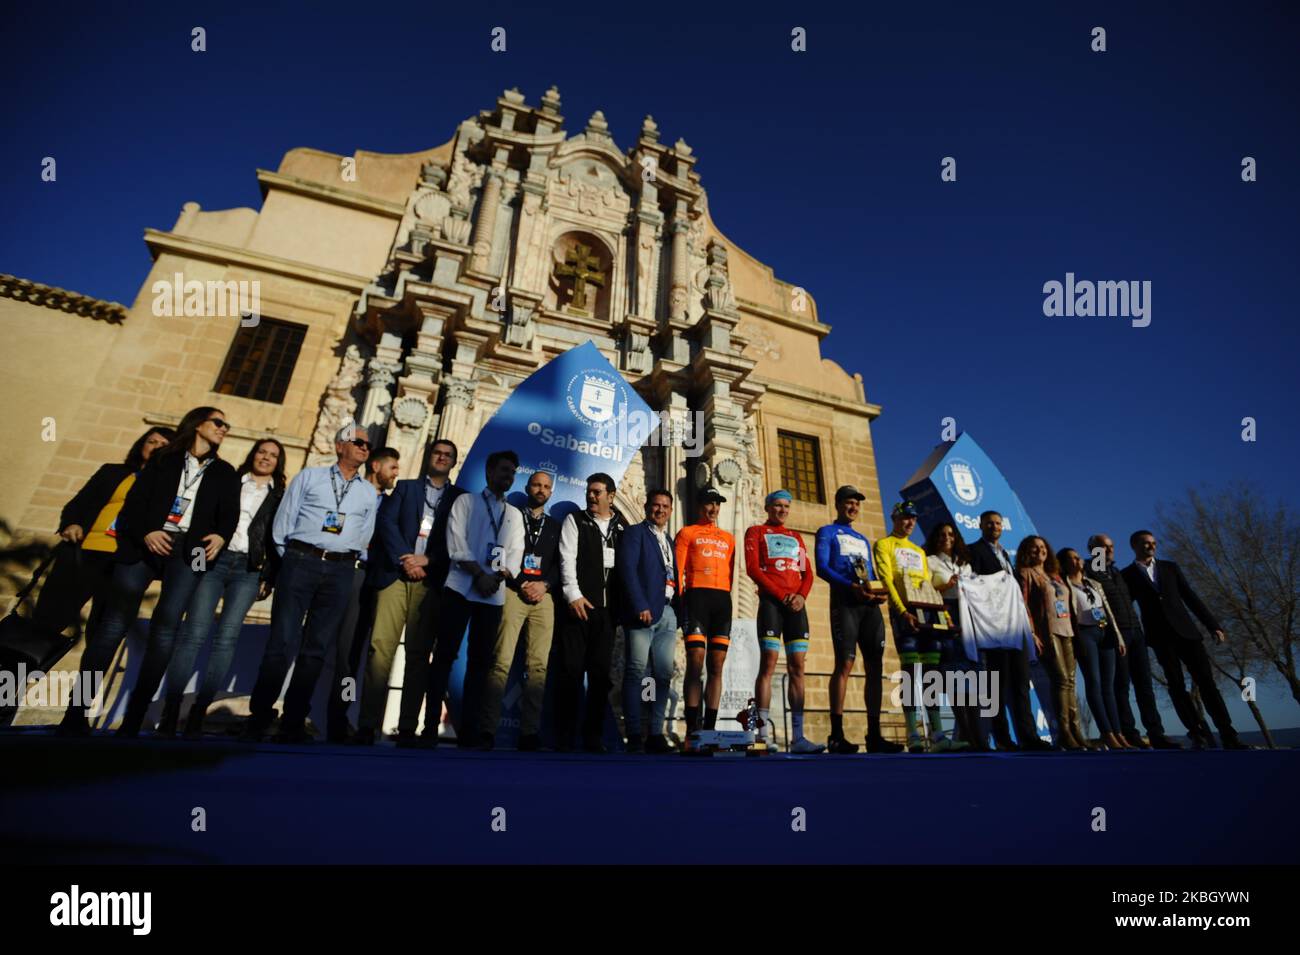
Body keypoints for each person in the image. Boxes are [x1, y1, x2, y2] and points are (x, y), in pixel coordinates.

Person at [91, 408, 241, 738]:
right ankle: (76, 713)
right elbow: (133, 504)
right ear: (197, 424)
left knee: (166, 630)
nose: (223, 429)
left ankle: (134, 718)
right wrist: (147, 531)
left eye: (226, 426)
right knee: (112, 625)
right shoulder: (163, 460)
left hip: (189, 549)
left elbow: (229, 515)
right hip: (144, 545)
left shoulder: (225, 472)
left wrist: (220, 535)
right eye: (218, 423)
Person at [241, 422, 380, 743]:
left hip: (342, 569)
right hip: (300, 562)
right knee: (281, 643)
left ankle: (293, 719)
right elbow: (283, 522)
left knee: (315, 650)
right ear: (339, 446)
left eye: (367, 445)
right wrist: (291, 557)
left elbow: (365, 534)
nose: (364, 448)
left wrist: (343, 554)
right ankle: (259, 716)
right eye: (358, 442)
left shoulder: (366, 493)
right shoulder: (310, 477)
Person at [158, 438, 286, 739]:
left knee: (227, 638)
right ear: (252, 454)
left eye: (273, 456)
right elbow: (205, 518)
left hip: (248, 569)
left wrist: (270, 575)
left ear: (278, 463)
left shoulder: (279, 495)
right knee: (193, 634)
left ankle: (198, 713)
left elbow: (276, 537)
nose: (265, 458)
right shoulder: (229, 480)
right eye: (262, 452)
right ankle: (172, 710)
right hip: (214, 561)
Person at [354, 439, 462, 747]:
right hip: (395, 576)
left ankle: (406, 727)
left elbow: (458, 537)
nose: (442, 458)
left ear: (454, 462)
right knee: (379, 650)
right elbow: (386, 522)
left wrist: (428, 560)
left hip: (431, 582)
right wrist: (406, 556)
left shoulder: (459, 498)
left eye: (448, 455)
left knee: (418, 656)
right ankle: (367, 724)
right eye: (437, 453)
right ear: (430, 457)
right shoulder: (405, 488)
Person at [419, 450, 523, 749]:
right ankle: (429, 728)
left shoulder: (513, 515)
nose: (508, 476)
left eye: (512, 472)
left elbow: (515, 554)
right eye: (504, 470)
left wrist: (497, 577)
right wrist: (479, 574)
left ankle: (469, 730)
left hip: (492, 597)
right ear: (489, 473)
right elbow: (457, 543)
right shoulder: (466, 502)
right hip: (459, 588)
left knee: (481, 664)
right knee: (444, 657)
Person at [34, 427, 174, 639]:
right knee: (49, 619)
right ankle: (16, 670)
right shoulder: (112, 472)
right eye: (152, 442)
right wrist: (72, 524)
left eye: (164, 445)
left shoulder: (169, 487)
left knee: (101, 631)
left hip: (123, 561)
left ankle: (91, 674)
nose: (156, 447)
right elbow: (78, 504)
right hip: (85, 551)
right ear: (142, 445)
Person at [1121, 530, 1247, 750]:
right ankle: (1196, 733)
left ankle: (1228, 733)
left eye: (1153, 543)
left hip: (1187, 634)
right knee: (1176, 686)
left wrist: (1213, 625)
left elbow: (1190, 597)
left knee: (1207, 684)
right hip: (1160, 639)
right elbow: (1125, 608)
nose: (1151, 546)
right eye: (1145, 543)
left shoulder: (1170, 568)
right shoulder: (1128, 575)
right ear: (1134, 545)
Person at [814, 485, 902, 754]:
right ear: (838, 504)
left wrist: (879, 593)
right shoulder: (827, 532)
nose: (853, 508)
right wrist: (849, 587)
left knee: (875, 666)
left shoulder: (863, 540)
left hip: (868, 607)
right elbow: (822, 567)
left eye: (857, 504)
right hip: (845, 603)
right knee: (846, 663)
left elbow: (872, 573)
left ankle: (874, 735)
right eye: (849, 503)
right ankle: (836, 734)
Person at [479, 468, 561, 751]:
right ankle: (487, 729)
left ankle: (529, 733)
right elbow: (498, 552)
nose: (541, 489)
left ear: (551, 492)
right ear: (527, 488)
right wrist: (522, 581)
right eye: (536, 485)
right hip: (513, 591)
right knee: (500, 661)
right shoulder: (510, 517)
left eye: (546, 486)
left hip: (544, 599)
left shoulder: (555, 526)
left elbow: (560, 564)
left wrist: (545, 585)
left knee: (538, 667)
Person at [874, 501, 965, 753]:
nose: (910, 522)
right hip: (905, 611)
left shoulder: (919, 551)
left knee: (931, 672)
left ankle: (937, 734)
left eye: (913, 518)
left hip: (928, 611)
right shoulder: (884, 544)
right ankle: (913, 733)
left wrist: (944, 615)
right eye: (905, 517)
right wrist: (901, 611)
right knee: (912, 671)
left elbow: (927, 584)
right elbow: (887, 580)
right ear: (894, 518)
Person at [326, 445, 401, 742]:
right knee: (337, 652)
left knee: (354, 654)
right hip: (344, 571)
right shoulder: (350, 491)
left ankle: (341, 717)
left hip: (372, 579)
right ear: (376, 467)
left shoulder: (392, 503)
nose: (397, 473)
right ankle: (325, 717)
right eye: (392, 467)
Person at [744, 489, 823, 753]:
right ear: (768, 508)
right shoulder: (755, 532)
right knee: (768, 663)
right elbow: (753, 568)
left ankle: (798, 737)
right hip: (772, 605)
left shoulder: (796, 537)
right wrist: (782, 595)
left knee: (798, 667)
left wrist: (801, 596)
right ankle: (762, 734)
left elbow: (807, 572)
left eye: (786, 506)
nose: (782, 510)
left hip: (796, 607)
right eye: (777, 505)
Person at [966, 511, 1051, 751]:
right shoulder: (974, 551)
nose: (994, 527)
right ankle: (1002, 738)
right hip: (993, 628)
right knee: (996, 687)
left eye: (998, 523)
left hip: (1014, 628)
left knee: (1021, 684)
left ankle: (1029, 736)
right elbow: (975, 585)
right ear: (980, 525)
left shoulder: (1004, 553)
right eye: (989, 523)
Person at [556, 473, 628, 752]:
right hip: (579, 607)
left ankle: (593, 737)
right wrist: (573, 594)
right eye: (589, 491)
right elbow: (566, 558)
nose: (591, 496)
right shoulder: (576, 521)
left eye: (597, 492)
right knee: (570, 672)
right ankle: (565, 736)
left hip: (608, 613)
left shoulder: (621, 527)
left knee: (600, 677)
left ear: (611, 495)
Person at [1087, 533, 1178, 749]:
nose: (1108, 550)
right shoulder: (1090, 572)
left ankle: (1156, 733)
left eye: (1111, 546)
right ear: (1092, 549)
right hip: (1115, 634)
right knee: (1121, 686)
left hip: (1136, 631)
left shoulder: (1117, 572)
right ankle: (1129, 732)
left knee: (1145, 685)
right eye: (1102, 547)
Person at [617, 488, 678, 754]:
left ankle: (655, 732)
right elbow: (627, 569)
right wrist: (640, 604)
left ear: (671, 510)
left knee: (662, 675)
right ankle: (634, 733)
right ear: (647, 506)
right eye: (656, 505)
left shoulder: (669, 540)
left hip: (668, 613)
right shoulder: (635, 533)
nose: (660, 510)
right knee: (637, 671)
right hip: (643, 613)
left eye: (665, 506)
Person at [675, 487, 736, 746]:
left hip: (722, 601)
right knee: (696, 662)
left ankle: (709, 729)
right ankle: (692, 729)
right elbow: (678, 572)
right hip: (696, 598)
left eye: (717, 505)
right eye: (709, 504)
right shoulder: (687, 533)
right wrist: (681, 603)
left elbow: (732, 575)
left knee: (717, 666)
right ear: (700, 505)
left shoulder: (729, 538)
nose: (713, 509)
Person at [1059, 547, 1132, 750]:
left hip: (1105, 632)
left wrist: (1118, 636)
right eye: (1071, 559)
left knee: (1109, 686)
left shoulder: (1093, 583)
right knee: (1095, 683)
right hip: (1084, 634)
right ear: (1064, 563)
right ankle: (1107, 733)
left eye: (1078, 557)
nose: (1077, 561)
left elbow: (1107, 610)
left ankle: (1119, 734)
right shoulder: (1064, 585)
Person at [1015, 536, 1083, 751]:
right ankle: (1064, 733)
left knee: (1071, 682)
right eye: (1034, 548)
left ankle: (1076, 731)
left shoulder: (1055, 576)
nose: (1039, 551)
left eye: (1043, 547)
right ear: (1026, 551)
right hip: (1047, 632)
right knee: (1061, 680)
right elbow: (1023, 605)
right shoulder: (1025, 573)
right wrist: (1032, 633)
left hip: (1067, 631)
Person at [923, 521, 987, 750]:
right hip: (945, 615)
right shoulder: (929, 561)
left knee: (974, 677)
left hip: (969, 618)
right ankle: (966, 735)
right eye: (941, 534)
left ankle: (980, 737)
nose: (946, 537)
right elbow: (925, 589)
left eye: (950, 534)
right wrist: (945, 585)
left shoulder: (965, 564)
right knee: (954, 678)